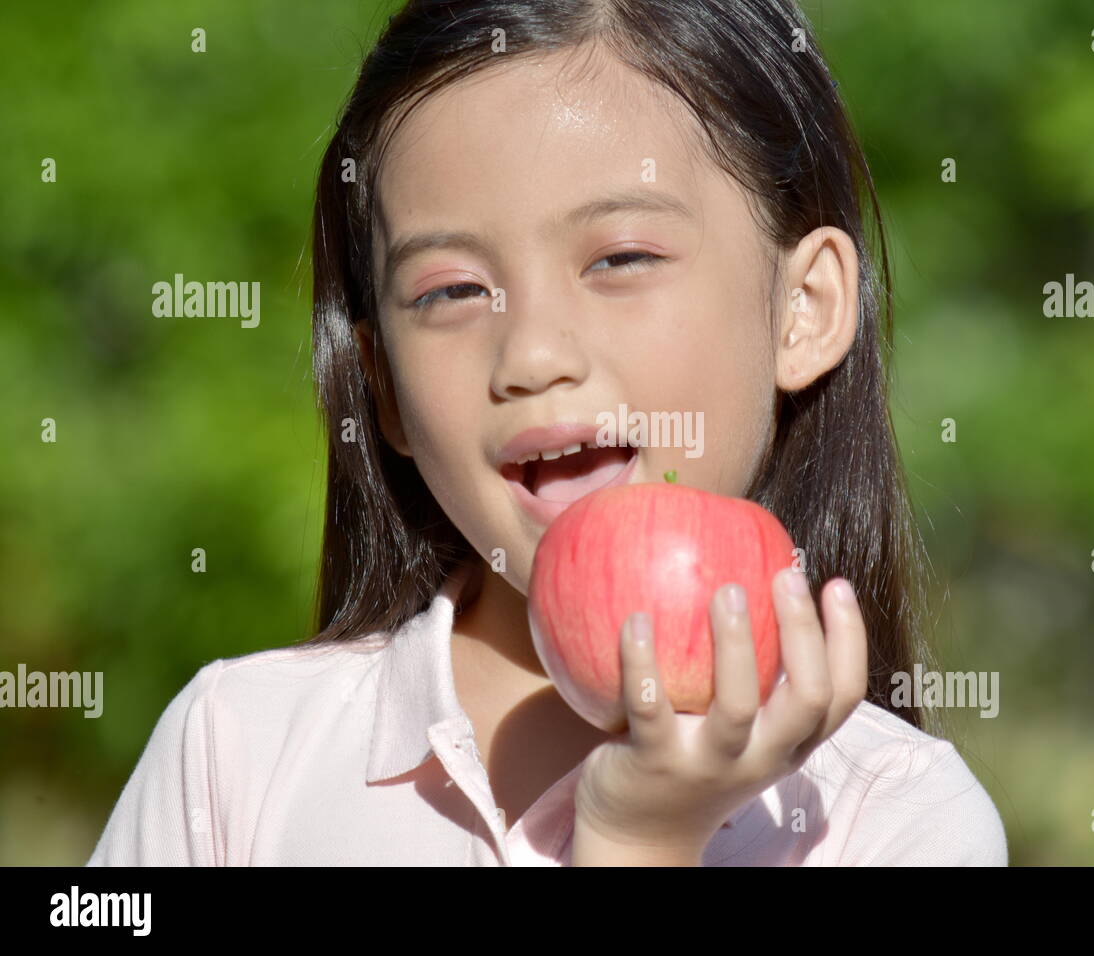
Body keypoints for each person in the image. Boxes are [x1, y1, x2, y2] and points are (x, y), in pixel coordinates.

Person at [87, 0, 1007, 866]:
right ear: (386, 391)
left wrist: (640, 841)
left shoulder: (891, 818)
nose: (530, 353)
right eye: (450, 291)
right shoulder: (233, 755)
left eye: (620, 259)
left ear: (803, 308)